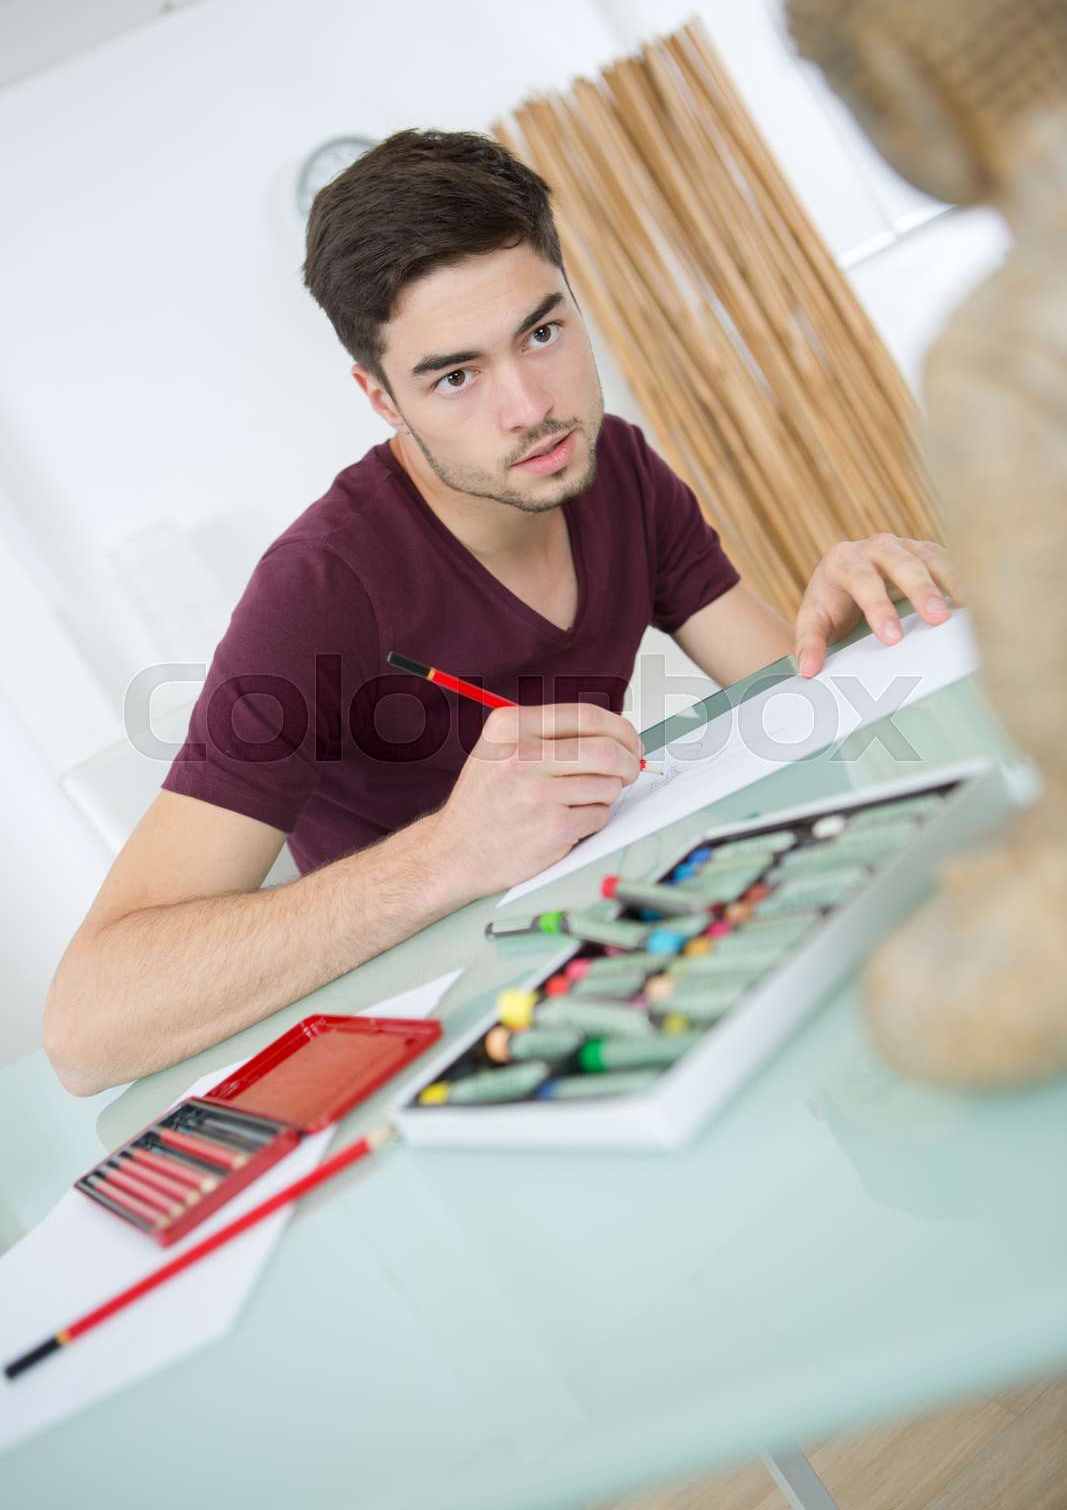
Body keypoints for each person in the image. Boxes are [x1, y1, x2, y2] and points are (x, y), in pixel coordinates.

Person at [44, 129, 960, 1095]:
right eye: (454, 375)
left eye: (542, 332)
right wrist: (446, 855)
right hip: (446, 1044)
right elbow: (87, 1027)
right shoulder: (318, 589)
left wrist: (857, 634)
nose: (530, 408)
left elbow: (797, 714)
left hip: (625, 960)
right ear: (379, 397)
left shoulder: (622, 473)